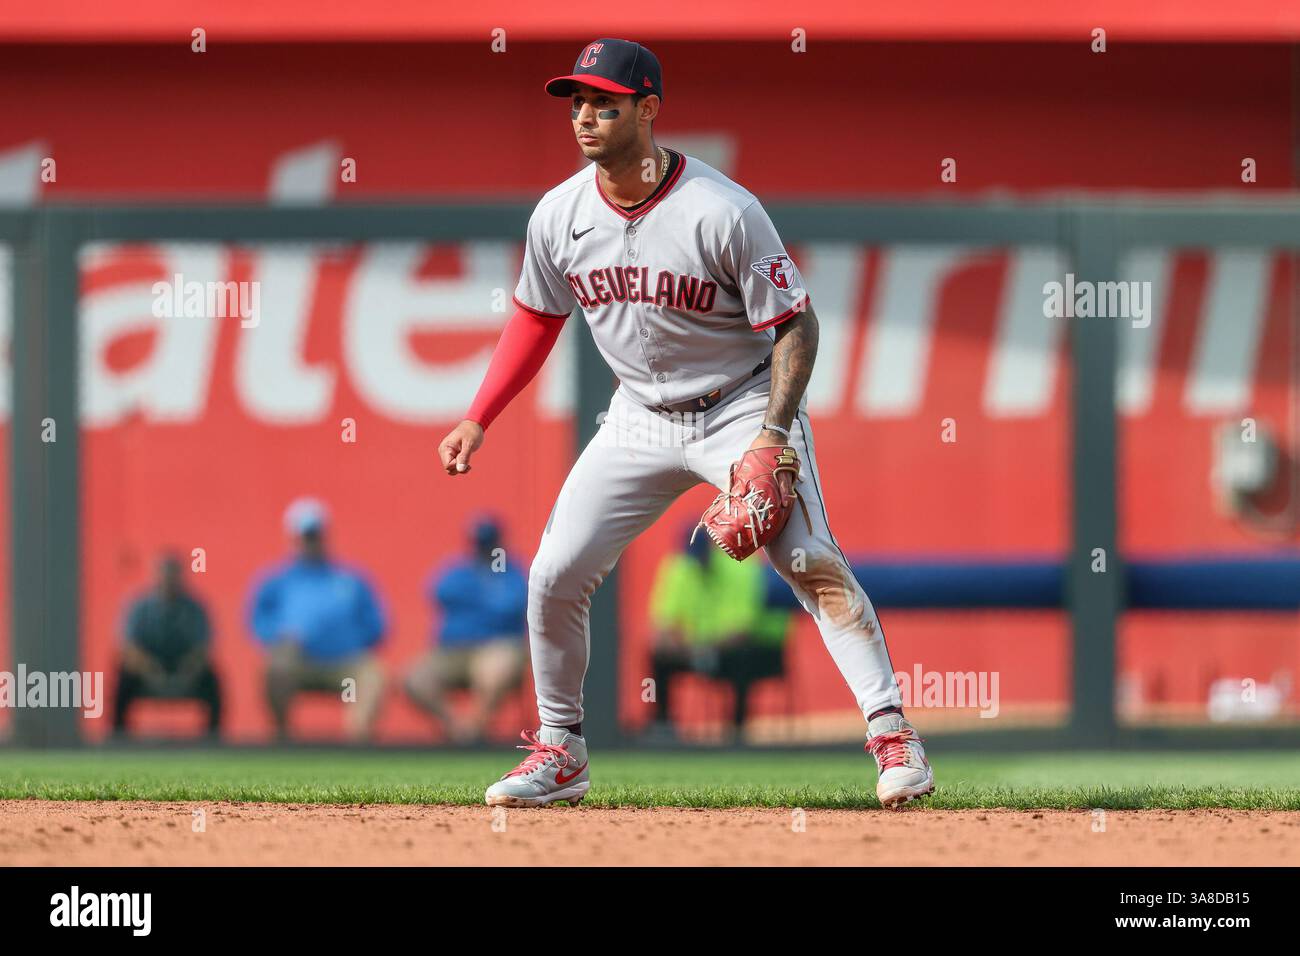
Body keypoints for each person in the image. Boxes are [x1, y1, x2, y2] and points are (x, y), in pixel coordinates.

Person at [437, 38, 933, 809]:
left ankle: (893, 735)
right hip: (637, 415)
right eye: (578, 103)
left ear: (649, 108)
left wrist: (772, 435)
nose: (587, 117)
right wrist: (479, 416)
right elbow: (536, 318)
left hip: (737, 406)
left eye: (605, 102)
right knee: (554, 576)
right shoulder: (559, 215)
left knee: (806, 559)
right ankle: (562, 752)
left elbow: (796, 327)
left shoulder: (722, 210)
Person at [247, 498, 387, 742]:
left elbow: (376, 624)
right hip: (299, 663)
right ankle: (283, 737)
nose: (311, 542)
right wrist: (280, 637)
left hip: (344, 666)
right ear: (293, 538)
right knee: (275, 668)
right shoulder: (276, 581)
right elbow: (258, 621)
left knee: (373, 674)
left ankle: (358, 740)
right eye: (306, 536)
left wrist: (349, 642)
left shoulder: (350, 579)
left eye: (315, 535)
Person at [647, 525, 789, 739]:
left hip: (743, 651)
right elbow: (662, 628)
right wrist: (687, 647)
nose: (699, 563)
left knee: (741, 656)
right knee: (658, 657)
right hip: (698, 649)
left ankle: (737, 731)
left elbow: (743, 629)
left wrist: (705, 647)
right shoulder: (679, 568)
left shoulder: (741, 566)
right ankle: (662, 724)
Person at [404, 516, 529, 742]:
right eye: (480, 543)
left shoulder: (512, 571)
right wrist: (486, 598)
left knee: (493, 670)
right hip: (453, 650)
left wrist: (475, 598)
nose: (484, 548)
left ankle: (475, 730)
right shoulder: (458, 569)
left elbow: (512, 604)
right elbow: (440, 592)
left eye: (488, 542)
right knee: (415, 677)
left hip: (495, 647)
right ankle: (455, 727)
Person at [112, 553, 222, 737]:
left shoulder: (195, 608)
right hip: (147, 669)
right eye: (164, 575)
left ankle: (213, 739)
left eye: (173, 575)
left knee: (211, 679)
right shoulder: (139, 607)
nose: (168, 580)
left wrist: (188, 670)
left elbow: (203, 648)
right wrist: (149, 669)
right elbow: (128, 647)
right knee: (123, 675)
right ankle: (118, 736)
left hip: (184, 667)